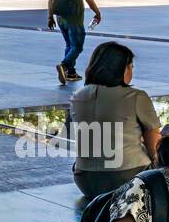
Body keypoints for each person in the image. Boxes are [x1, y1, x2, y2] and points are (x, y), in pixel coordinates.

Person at [69, 42, 162, 201]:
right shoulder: (136, 96)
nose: (132, 71)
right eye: (131, 66)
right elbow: (155, 147)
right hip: (127, 180)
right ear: (123, 69)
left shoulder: (78, 95)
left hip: (85, 180)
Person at [47, 0, 101, 85]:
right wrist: (97, 13)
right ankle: (64, 66)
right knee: (77, 47)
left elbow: (51, 1)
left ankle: (71, 73)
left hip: (60, 19)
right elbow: (89, 0)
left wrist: (50, 17)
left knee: (69, 45)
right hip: (74, 19)